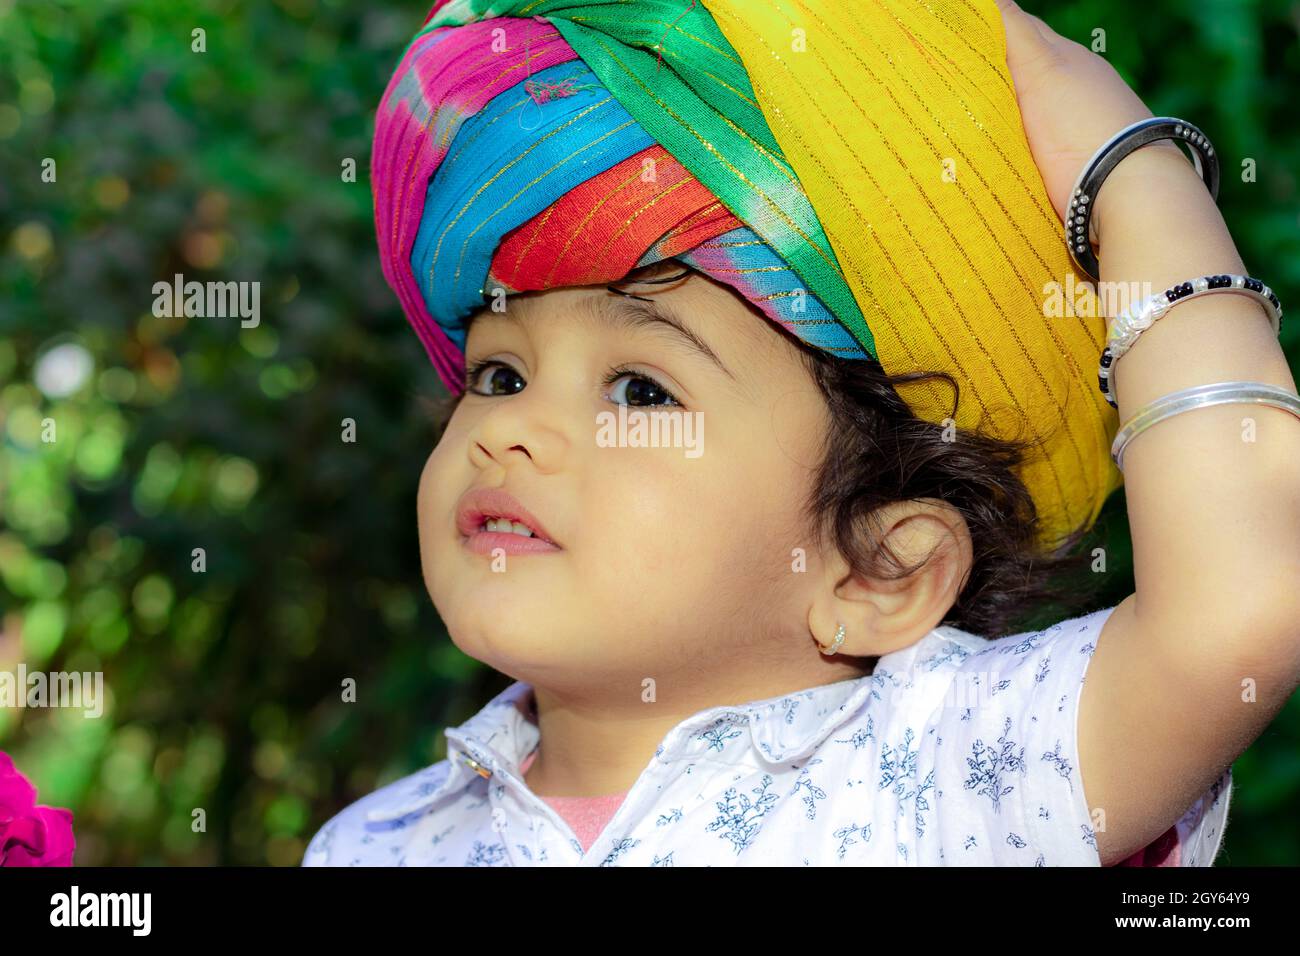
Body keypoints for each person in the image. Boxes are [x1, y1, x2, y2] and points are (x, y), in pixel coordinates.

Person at [302, 0, 1299, 866]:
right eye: (498, 373)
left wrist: (1126, 166)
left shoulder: (945, 775)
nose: (511, 426)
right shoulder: (371, 844)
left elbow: (1237, 610)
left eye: (639, 391)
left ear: (879, 572)